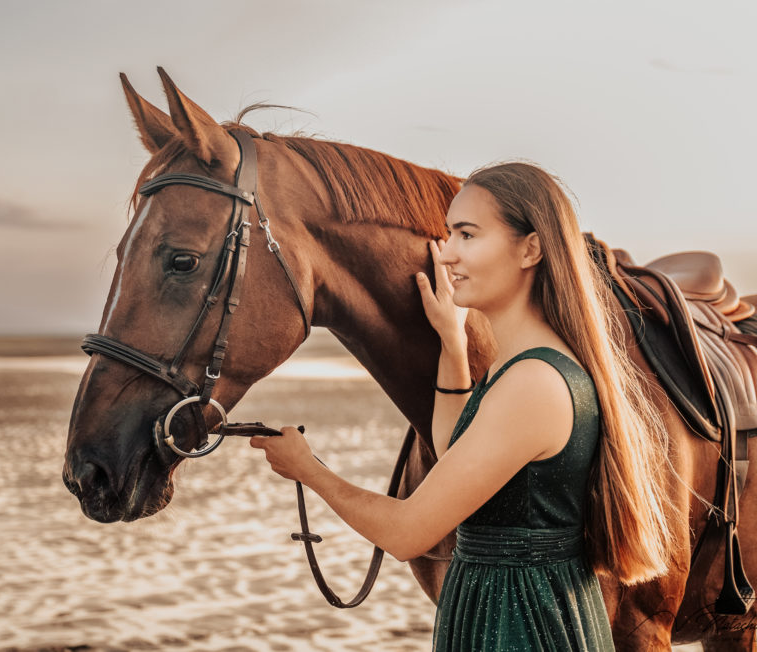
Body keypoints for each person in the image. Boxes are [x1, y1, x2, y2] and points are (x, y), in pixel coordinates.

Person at [251, 162, 677, 651]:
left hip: (520, 627)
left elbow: (408, 533)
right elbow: (454, 455)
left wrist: (310, 470)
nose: (447, 252)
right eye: (448, 233)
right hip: (514, 613)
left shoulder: (534, 383)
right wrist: (453, 345)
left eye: (467, 235)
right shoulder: (520, 366)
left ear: (530, 248)